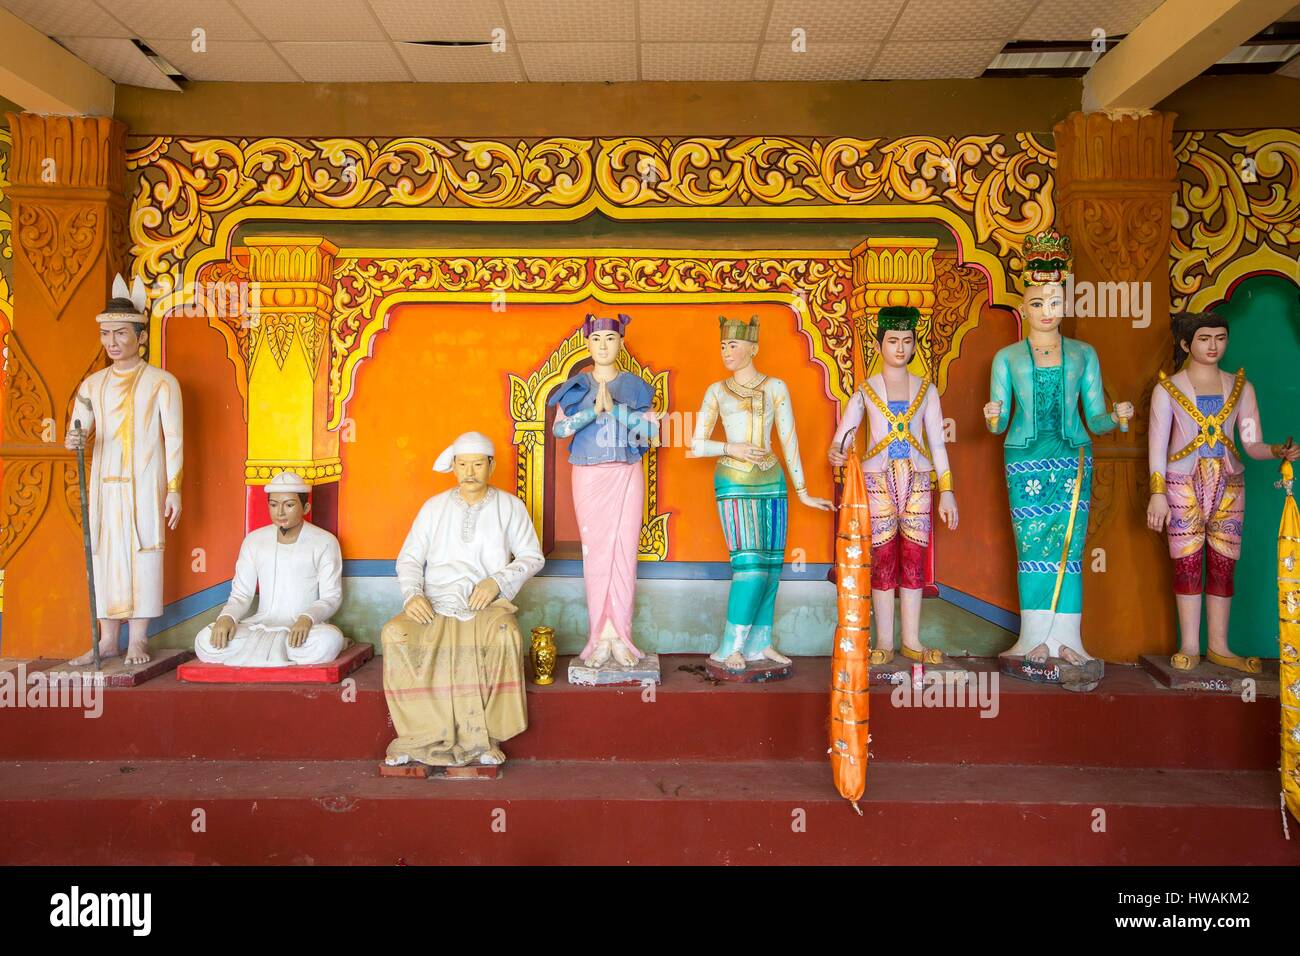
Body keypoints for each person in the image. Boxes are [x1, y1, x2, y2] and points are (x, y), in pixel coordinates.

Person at [983, 231, 1133, 665]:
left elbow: (1097, 419)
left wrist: (1118, 415)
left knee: (1070, 548)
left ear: (1065, 305)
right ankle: (1032, 639)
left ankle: (1070, 640)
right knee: (1031, 546)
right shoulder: (1007, 358)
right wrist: (991, 413)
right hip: (1024, 459)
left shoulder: (1084, 354)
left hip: (1072, 458)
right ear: (1024, 307)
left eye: (1054, 303)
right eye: (1037, 303)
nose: (1046, 312)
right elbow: (998, 425)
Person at [1146, 311, 1299, 672]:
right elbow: (1157, 445)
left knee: (1223, 562)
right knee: (1186, 562)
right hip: (1182, 482)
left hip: (1230, 482)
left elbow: (1251, 441)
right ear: (1186, 344)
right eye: (1204, 339)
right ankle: (1189, 645)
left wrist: (1275, 450)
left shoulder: (1241, 387)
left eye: (1219, 337)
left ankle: (1219, 645)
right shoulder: (1167, 390)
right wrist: (1157, 493)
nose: (1213, 346)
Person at [382, 432, 545, 768]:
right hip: (435, 601)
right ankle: (418, 735)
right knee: (394, 634)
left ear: (491, 466)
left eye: (477, 464)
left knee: (505, 634)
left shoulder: (510, 506)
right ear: (453, 467)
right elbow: (409, 559)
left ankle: (484, 736)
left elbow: (533, 556)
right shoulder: (434, 507)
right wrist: (413, 594)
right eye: (462, 464)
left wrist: (497, 581)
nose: (470, 471)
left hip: (485, 605)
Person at [691, 315, 833, 671]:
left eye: (734, 345)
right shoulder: (717, 391)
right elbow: (694, 444)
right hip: (734, 480)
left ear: (753, 348)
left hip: (773, 479)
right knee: (749, 567)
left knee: (771, 567)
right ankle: (729, 647)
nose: (726, 351)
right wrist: (730, 447)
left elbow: (788, 439)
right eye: (723, 345)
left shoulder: (776, 387)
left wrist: (802, 491)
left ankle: (760, 642)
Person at [65, 274, 183, 667]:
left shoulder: (162, 382)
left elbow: (174, 437)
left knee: (143, 551)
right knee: (104, 554)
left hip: (145, 482)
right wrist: (76, 442)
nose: (112, 342)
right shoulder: (92, 385)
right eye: (106, 334)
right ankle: (107, 639)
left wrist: (174, 487)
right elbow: (76, 433)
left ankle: (138, 640)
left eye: (119, 333)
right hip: (103, 484)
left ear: (139, 335)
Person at [829, 306, 957, 665]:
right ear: (880, 345)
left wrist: (946, 490)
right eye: (892, 341)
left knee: (914, 557)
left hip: (917, 479)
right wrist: (836, 451)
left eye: (906, 341)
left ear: (915, 346)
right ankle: (884, 639)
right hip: (876, 479)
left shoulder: (927, 390)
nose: (900, 348)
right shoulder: (866, 391)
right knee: (883, 557)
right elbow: (844, 436)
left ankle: (912, 639)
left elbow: (938, 443)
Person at [547, 312, 658, 668]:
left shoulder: (635, 386)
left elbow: (653, 432)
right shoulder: (576, 385)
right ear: (587, 344)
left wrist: (618, 410)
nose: (604, 345)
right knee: (595, 554)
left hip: (626, 472)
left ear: (621, 343)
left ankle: (621, 636)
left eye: (610, 339)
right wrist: (592, 412)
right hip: (589, 475)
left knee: (624, 553)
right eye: (597, 340)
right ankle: (599, 636)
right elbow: (560, 431)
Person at [195, 472, 345, 666]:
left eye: (289, 505)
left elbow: (331, 596)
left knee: (329, 640)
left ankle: (270, 650)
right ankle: (277, 650)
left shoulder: (324, 541)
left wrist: (307, 618)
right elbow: (241, 594)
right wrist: (227, 617)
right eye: (274, 505)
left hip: (301, 629)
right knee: (205, 640)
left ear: (305, 507)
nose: (280, 512)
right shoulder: (254, 541)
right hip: (260, 626)